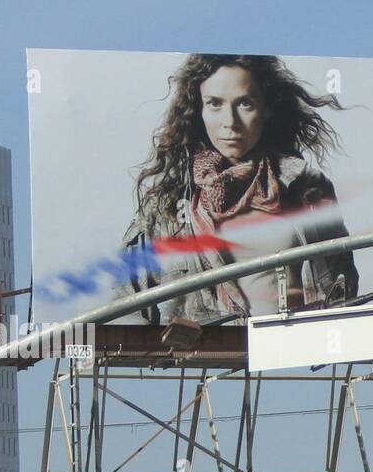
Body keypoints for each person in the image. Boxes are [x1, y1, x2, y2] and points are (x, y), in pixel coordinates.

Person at [121, 53, 359, 325]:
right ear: (198, 111)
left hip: (292, 355)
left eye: (244, 104)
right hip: (215, 363)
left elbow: (343, 284)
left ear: (266, 108)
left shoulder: (307, 189)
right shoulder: (168, 203)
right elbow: (129, 305)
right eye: (214, 104)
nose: (230, 122)